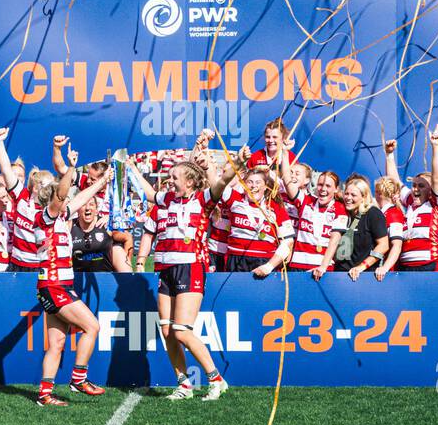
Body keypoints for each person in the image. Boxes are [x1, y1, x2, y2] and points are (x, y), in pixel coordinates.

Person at [130, 142, 232, 400]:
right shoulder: (168, 199)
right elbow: (150, 194)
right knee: (167, 330)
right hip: (166, 268)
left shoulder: (202, 199)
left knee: (181, 331)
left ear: (189, 181)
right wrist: (131, 167)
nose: (170, 180)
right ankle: (184, 384)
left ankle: (215, 379)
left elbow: (221, 184)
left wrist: (237, 164)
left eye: (175, 177)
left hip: (190, 267)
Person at [29, 141, 111, 405]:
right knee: (92, 326)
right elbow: (64, 194)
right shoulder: (47, 215)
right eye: (59, 197)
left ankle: (44, 394)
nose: (64, 200)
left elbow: (81, 197)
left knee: (57, 344)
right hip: (54, 286)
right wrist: (72, 168)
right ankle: (78, 378)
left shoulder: (60, 217)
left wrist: (102, 182)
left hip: (55, 286)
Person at [384, 127, 438, 270]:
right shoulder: (410, 203)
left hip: (431, 266)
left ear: (431, 190)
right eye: (414, 185)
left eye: (421, 185)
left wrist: (436, 147)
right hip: (406, 268)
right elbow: (394, 182)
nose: (415, 189)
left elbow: (437, 177)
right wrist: (389, 155)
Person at [218, 157, 295, 276]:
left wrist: (269, 266)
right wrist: (207, 164)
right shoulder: (234, 198)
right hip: (236, 259)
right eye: (249, 182)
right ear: (243, 185)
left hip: (264, 261)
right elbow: (218, 183)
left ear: (265, 186)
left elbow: (288, 241)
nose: (253, 186)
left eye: (258, 182)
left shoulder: (276, 207)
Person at [0, 127, 42, 273]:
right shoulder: (22, 195)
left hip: (40, 265)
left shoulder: (50, 205)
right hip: (17, 264)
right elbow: (6, 169)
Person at [284, 168, 347, 273]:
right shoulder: (306, 200)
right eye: (320, 184)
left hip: (321, 268)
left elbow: (334, 240)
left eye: (328, 186)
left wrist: (323, 266)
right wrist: (284, 154)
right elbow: (287, 183)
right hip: (298, 264)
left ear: (336, 189)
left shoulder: (340, 208)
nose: (323, 189)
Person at [70, 196, 128, 272]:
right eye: (83, 205)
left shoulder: (106, 225)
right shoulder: (69, 226)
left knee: (117, 250)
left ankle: (128, 280)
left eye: (91, 204)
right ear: (77, 210)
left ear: (96, 210)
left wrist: (127, 260)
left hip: (104, 277)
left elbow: (127, 238)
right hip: (77, 278)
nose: (87, 208)